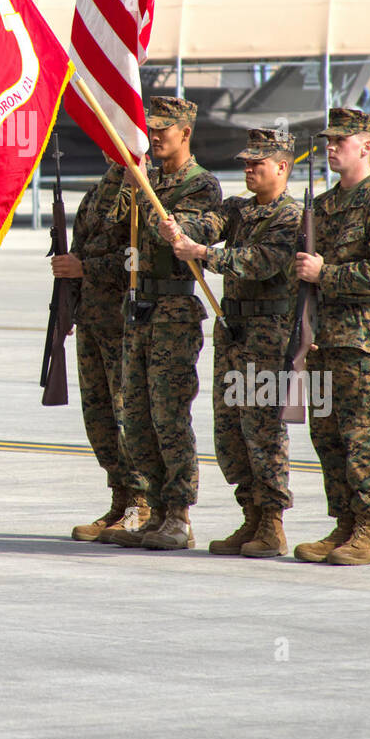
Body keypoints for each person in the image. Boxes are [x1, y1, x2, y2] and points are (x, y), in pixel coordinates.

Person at [160, 129, 300, 558]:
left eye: (258, 162)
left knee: (263, 431)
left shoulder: (291, 217)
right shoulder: (238, 209)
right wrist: (179, 227)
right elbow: (212, 222)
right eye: (246, 162)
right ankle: (251, 516)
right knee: (230, 431)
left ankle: (272, 524)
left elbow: (258, 262)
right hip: (234, 334)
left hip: (268, 339)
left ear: (282, 167)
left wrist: (202, 252)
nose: (249, 169)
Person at [291, 109, 370, 566]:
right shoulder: (320, 207)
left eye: (342, 139)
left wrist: (328, 273)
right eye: (329, 139)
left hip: (363, 341)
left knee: (360, 434)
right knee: (327, 436)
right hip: (323, 340)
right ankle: (343, 522)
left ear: (367, 146)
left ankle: (369, 530)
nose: (331, 146)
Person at [111, 96, 222, 551]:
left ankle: (179, 514)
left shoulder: (202, 184)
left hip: (174, 312)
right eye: (150, 129)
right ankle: (154, 508)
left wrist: (174, 226)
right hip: (139, 311)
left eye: (163, 130)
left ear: (185, 133)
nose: (155, 137)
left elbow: (201, 231)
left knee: (169, 416)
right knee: (135, 416)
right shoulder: (143, 180)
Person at [51, 162, 150, 543]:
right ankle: (120, 497)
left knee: (127, 416)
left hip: (123, 323)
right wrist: (68, 301)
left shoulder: (146, 193)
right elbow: (77, 249)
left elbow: (138, 258)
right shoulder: (96, 194)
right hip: (91, 321)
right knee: (99, 417)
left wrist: (84, 268)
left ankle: (141, 502)